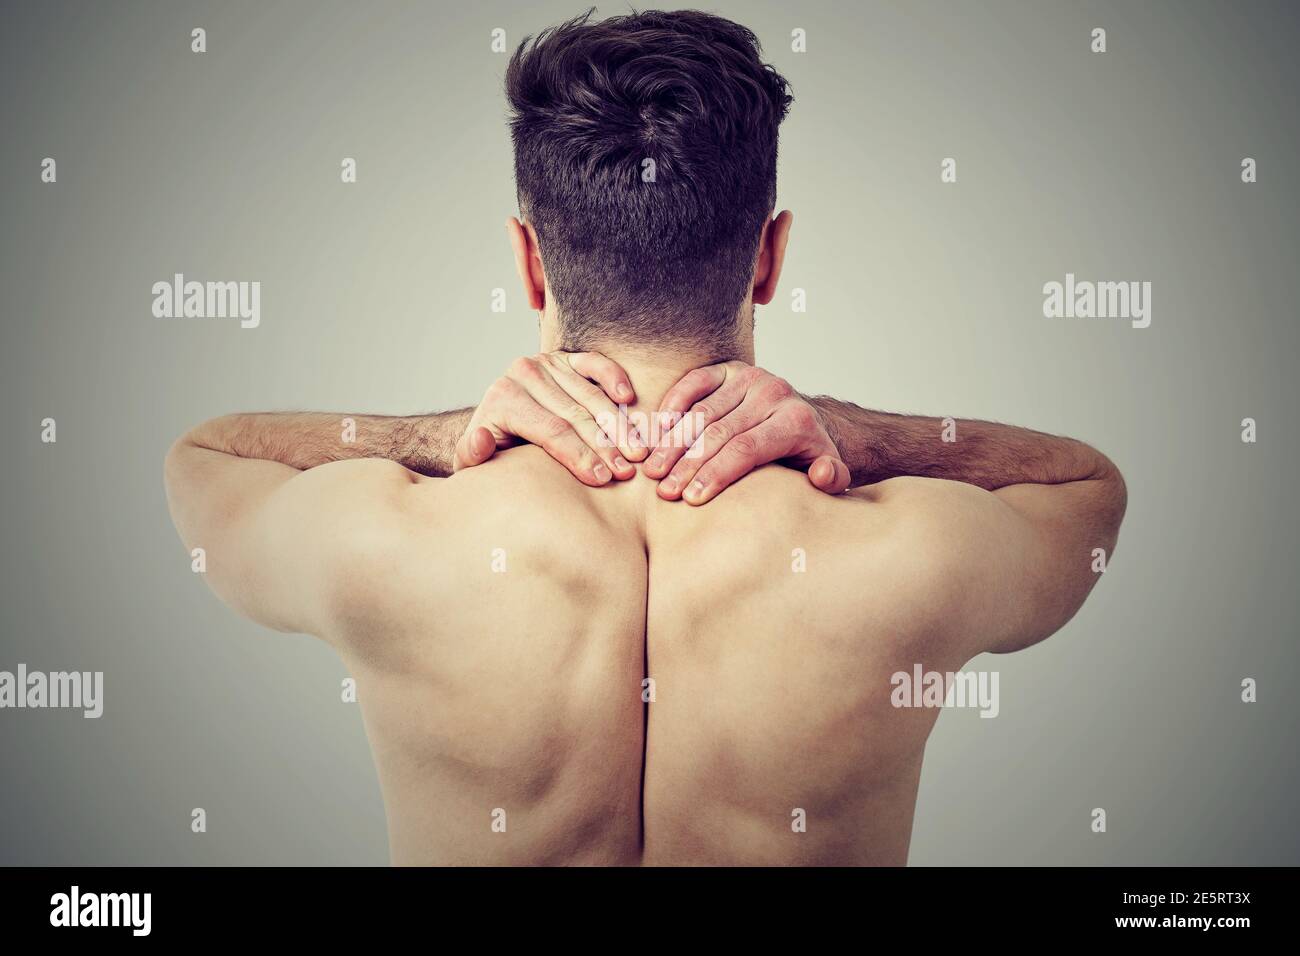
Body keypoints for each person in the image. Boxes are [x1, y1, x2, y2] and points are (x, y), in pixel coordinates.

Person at [164, 10, 1125, 865]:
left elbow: (205, 461)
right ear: (769, 254)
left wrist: (442, 436)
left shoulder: (391, 541)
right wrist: (860, 436)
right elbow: (1087, 489)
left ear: (530, 262)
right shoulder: (906, 549)